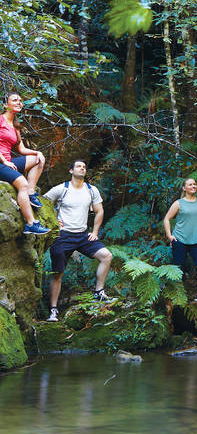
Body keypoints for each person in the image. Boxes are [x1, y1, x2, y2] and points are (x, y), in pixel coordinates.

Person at [43, 160, 114, 321]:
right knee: (57, 273)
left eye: (84, 167)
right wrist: (54, 221)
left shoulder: (91, 190)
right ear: (70, 171)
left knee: (106, 256)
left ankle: (99, 292)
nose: (82, 168)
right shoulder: (62, 189)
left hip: (83, 235)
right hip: (62, 236)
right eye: (78, 166)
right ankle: (53, 310)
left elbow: (99, 210)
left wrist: (95, 231)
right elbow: (43, 202)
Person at [0, 92, 49, 235]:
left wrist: (37, 152)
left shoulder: (15, 125)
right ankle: (31, 224)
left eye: (20, 100)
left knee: (39, 159)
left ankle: (30, 193)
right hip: (2, 162)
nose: (18, 102)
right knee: (22, 183)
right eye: (14, 100)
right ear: (5, 104)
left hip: (7, 162)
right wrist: (4, 161)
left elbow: (20, 149)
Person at [163, 178, 197, 300]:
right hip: (179, 240)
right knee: (179, 268)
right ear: (184, 188)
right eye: (190, 184)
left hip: (196, 241)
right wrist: (170, 236)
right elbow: (166, 219)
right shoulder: (178, 203)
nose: (193, 186)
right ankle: (177, 296)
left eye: (195, 184)